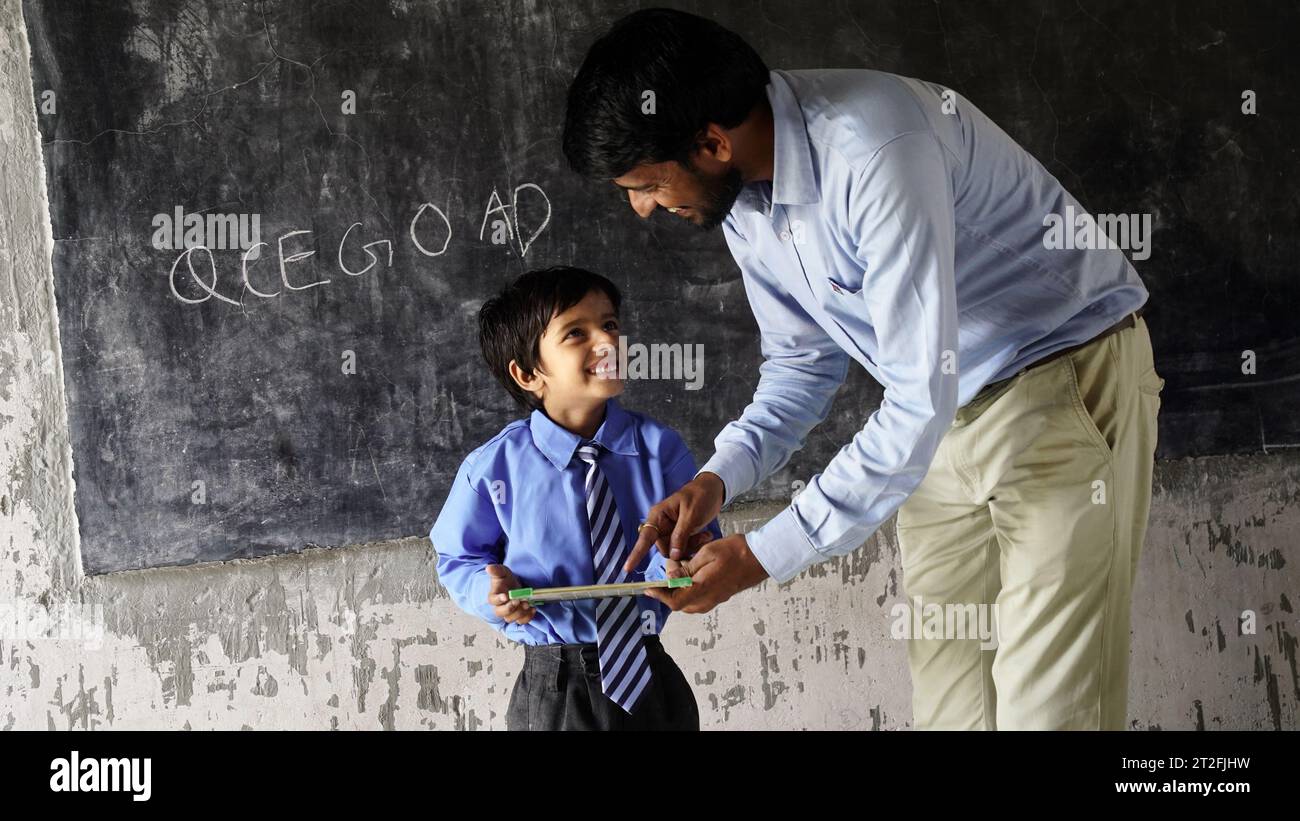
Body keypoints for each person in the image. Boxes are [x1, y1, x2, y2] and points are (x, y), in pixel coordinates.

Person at [561, 8, 1164, 730]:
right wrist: (715, 481)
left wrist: (759, 555)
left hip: (1061, 384)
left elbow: (914, 398)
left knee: (1051, 708)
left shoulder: (875, 149)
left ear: (712, 141)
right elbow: (800, 362)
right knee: (951, 702)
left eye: (645, 184)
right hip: (939, 429)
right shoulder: (743, 199)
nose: (640, 208)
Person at [429, 265, 720, 730]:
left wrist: (682, 564)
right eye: (575, 333)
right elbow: (457, 557)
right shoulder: (494, 468)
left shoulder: (661, 449)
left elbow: (701, 540)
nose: (605, 343)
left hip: (650, 676)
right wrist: (491, 594)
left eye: (609, 325)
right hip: (555, 687)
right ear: (528, 373)